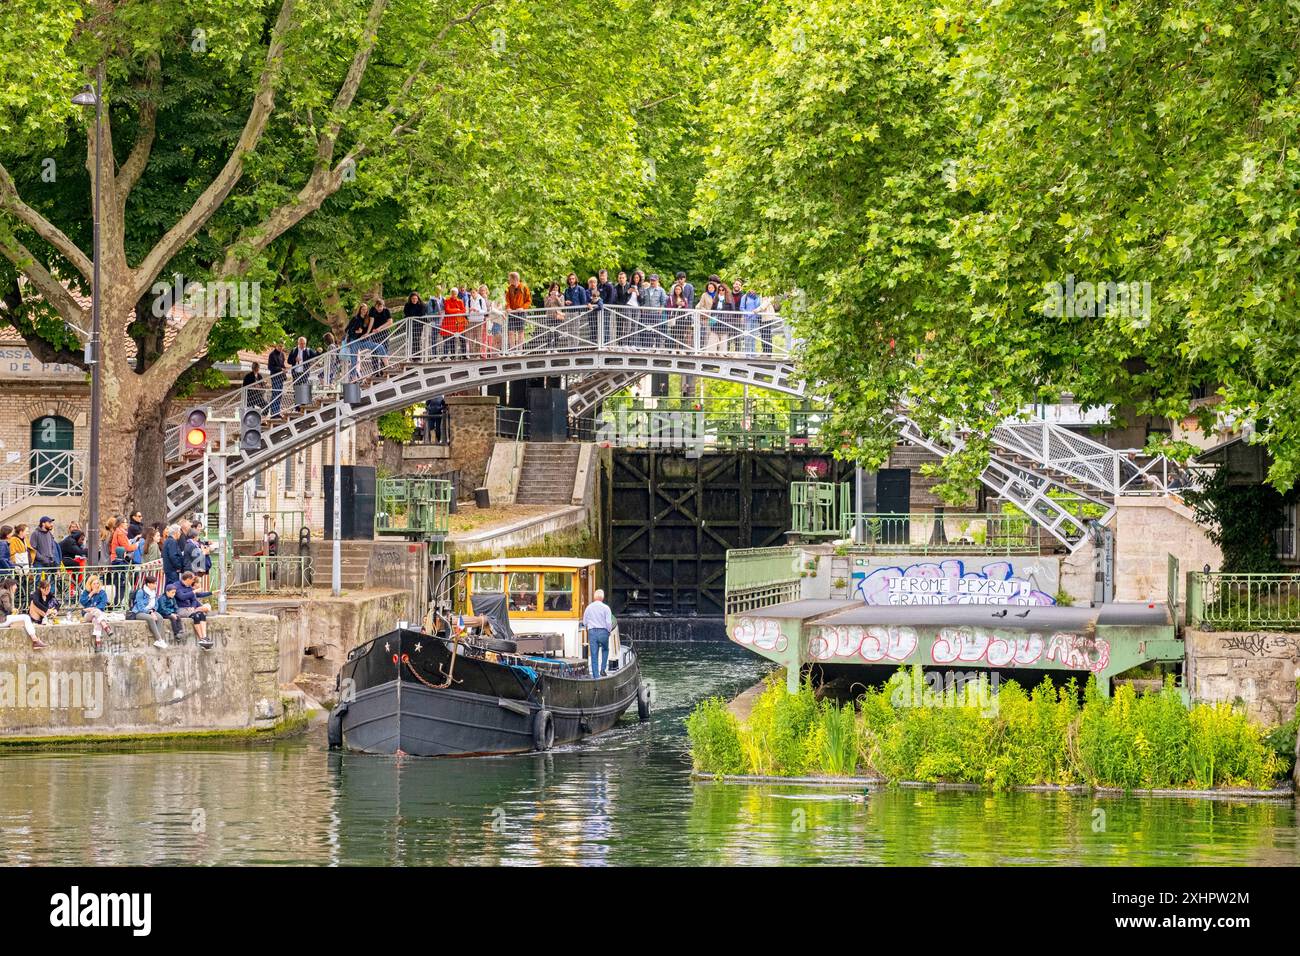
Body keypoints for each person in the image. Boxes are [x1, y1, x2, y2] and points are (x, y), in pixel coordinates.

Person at [175, 570, 214, 649]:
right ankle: (201, 639)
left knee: (201, 615)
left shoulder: (189, 587)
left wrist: (193, 606)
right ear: (188, 579)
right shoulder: (176, 585)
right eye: (192, 579)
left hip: (189, 608)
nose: (193, 581)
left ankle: (204, 637)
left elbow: (193, 599)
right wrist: (194, 591)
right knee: (196, 616)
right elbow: (182, 597)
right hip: (181, 609)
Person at [1, 578, 45, 649]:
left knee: (22, 621)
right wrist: (13, 610)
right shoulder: (5, 593)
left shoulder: (2, 591)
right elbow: (7, 607)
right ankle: (35, 641)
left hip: (3, 619)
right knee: (26, 617)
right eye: (15, 585)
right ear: (11, 586)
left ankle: (36, 640)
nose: (16, 587)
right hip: (2, 620)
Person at [581, 588, 615, 677]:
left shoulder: (588, 607)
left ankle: (596, 676)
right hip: (603, 632)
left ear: (594, 597)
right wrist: (609, 631)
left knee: (594, 654)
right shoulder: (606, 608)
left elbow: (584, 622)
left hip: (592, 633)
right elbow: (608, 622)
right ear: (602, 598)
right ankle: (602, 670)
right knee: (605, 649)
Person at [129, 577, 169, 650]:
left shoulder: (154, 593)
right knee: (150, 618)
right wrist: (150, 612)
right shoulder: (141, 592)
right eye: (154, 583)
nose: (155, 585)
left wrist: (153, 611)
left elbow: (156, 605)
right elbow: (140, 607)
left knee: (160, 617)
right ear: (148, 584)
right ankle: (160, 639)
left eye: (156, 583)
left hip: (151, 610)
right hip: (139, 612)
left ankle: (157, 640)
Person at [78, 574, 112, 648]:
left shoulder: (102, 593)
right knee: (96, 613)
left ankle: (98, 641)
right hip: (87, 615)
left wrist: (91, 609)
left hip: (98, 614)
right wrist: (91, 593)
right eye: (94, 584)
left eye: (97, 583)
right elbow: (83, 602)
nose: (96, 585)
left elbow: (102, 605)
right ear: (90, 585)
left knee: (96, 619)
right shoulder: (86, 592)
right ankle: (105, 626)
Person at [505, 272, 531, 349]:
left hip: (521, 312)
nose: (509, 280)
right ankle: (512, 349)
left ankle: (520, 350)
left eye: (510, 278)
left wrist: (523, 308)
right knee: (511, 332)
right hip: (512, 313)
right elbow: (507, 300)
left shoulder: (524, 287)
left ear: (514, 279)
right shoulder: (509, 288)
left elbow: (529, 301)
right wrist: (508, 308)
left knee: (521, 331)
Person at [343, 304, 370, 379]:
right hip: (354, 340)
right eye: (363, 309)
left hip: (362, 340)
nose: (364, 311)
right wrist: (356, 331)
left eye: (366, 309)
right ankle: (353, 377)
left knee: (358, 360)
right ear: (360, 310)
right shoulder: (355, 318)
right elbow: (347, 330)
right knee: (354, 359)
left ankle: (356, 375)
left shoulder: (367, 319)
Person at [288, 336, 317, 405]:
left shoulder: (308, 350)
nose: (302, 345)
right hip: (296, 373)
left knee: (304, 389)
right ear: (298, 343)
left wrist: (319, 352)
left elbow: (316, 356)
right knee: (297, 390)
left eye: (304, 343)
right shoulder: (294, 350)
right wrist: (295, 360)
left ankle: (303, 406)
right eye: (301, 343)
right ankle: (297, 407)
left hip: (304, 373)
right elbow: (289, 361)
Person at [440, 287, 468, 355]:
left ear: (457, 294)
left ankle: (464, 355)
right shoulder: (447, 301)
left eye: (455, 294)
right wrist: (457, 310)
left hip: (459, 323)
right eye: (452, 294)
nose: (454, 295)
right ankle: (452, 355)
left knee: (462, 339)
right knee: (450, 340)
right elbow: (447, 310)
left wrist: (454, 311)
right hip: (449, 323)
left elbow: (463, 311)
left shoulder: (460, 301)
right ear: (450, 294)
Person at [404, 292, 429, 359]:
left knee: (417, 339)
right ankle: (412, 356)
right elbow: (406, 314)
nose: (414, 300)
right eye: (413, 298)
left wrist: (413, 316)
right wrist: (413, 316)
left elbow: (421, 314)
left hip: (418, 325)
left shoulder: (422, 305)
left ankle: (417, 356)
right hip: (410, 325)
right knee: (411, 340)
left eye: (415, 298)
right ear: (410, 299)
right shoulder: (407, 305)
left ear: (418, 298)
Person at [266, 342, 287, 416]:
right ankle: (274, 412)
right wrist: (280, 369)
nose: (281, 348)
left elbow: (282, 365)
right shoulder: (272, 355)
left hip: (281, 377)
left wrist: (284, 369)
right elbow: (270, 367)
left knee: (279, 394)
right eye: (279, 346)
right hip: (275, 377)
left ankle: (276, 411)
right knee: (275, 394)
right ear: (276, 346)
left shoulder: (282, 354)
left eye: (282, 346)